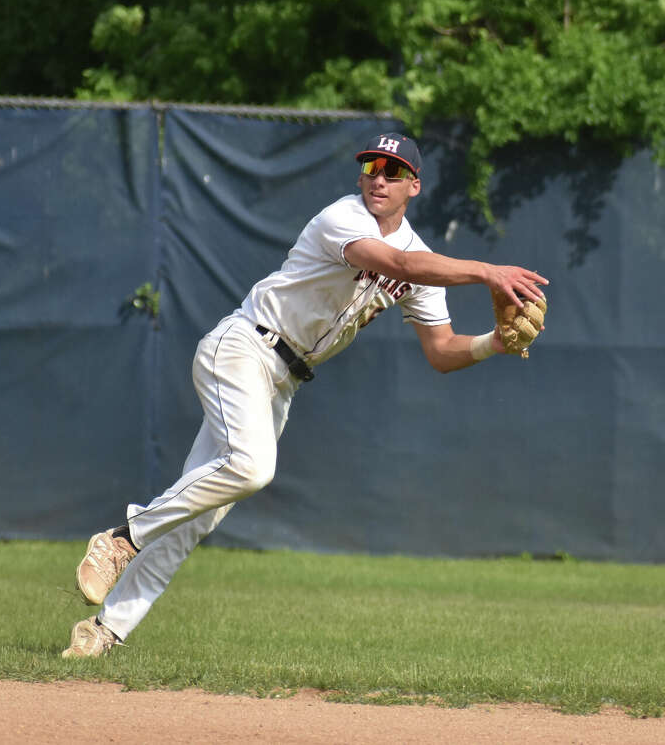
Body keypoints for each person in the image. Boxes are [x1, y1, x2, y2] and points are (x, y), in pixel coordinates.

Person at [62, 132, 549, 657]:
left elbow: (441, 349)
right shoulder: (343, 218)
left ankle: (104, 632)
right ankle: (121, 538)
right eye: (370, 167)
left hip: (283, 381)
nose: (378, 178)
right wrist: (486, 271)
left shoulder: (425, 263)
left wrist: (493, 343)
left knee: (196, 515)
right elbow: (398, 267)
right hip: (245, 347)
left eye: (392, 170)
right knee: (251, 468)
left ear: (414, 186)